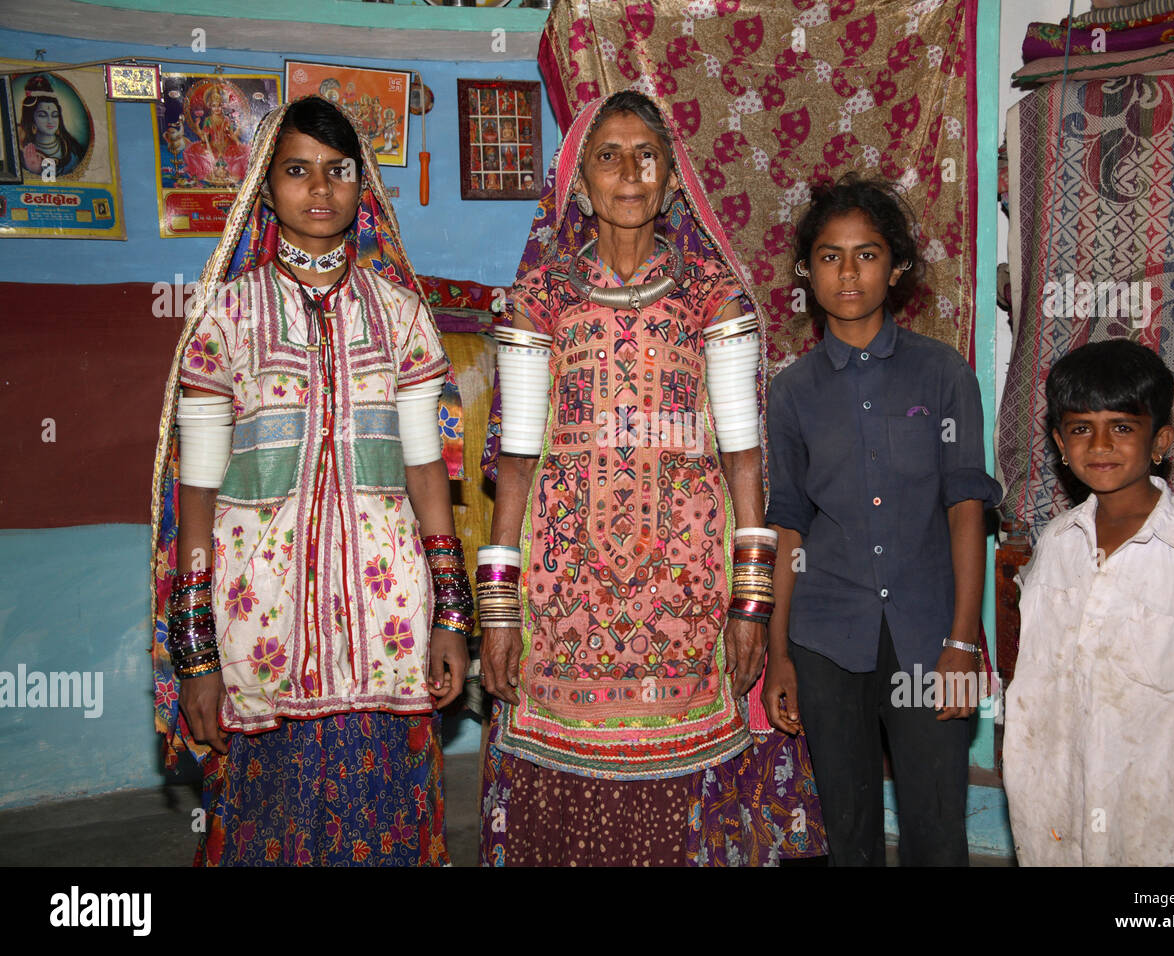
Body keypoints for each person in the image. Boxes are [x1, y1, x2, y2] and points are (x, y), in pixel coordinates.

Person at [478, 89, 825, 866]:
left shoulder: (712, 298)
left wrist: (750, 601)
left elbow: (744, 458)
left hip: (688, 593)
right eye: (609, 156)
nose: (629, 172)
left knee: (686, 787)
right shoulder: (540, 301)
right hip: (564, 594)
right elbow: (517, 461)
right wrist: (499, 609)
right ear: (580, 183)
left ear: (672, 180)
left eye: (647, 156)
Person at [149, 96, 470, 866]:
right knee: (265, 827)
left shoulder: (400, 316)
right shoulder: (226, 316)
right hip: (256, 623)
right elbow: (195, 492)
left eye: (338, 172)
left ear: (363, 190)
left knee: (384, 820)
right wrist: (195, 653)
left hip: (386, 618)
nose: (319, 190)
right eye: (298, 171)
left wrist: (451, 614)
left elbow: (428, 472)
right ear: (267, 188)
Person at [762, 173, 1002, 866]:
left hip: (931, 634)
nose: (848, 271)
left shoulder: (942, 374)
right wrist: (779, 654)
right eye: (830, 256)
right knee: (850, 829)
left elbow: (966, 506)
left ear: (896, 268)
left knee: (935, 830)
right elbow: (787, 525)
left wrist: (963, 642)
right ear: (807, 272)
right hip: (826, 635)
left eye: (866, 254)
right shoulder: (792, 391)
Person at [1002, 339, 1174, 865]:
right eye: (1081, 429)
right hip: (1059, 785)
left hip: (1163, 792)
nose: (1100, 444)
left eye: (1123, 427)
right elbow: (1037, 668)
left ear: (1160, 441)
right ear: (1061, 444)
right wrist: (1024, 752)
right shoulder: (1059, 544)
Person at [18, 74, 83, 177]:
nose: (50, 121)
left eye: (54, 115)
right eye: (42, 115)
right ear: (32, 119)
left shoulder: (71, 148)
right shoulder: (23, 152)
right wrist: (35, 171)